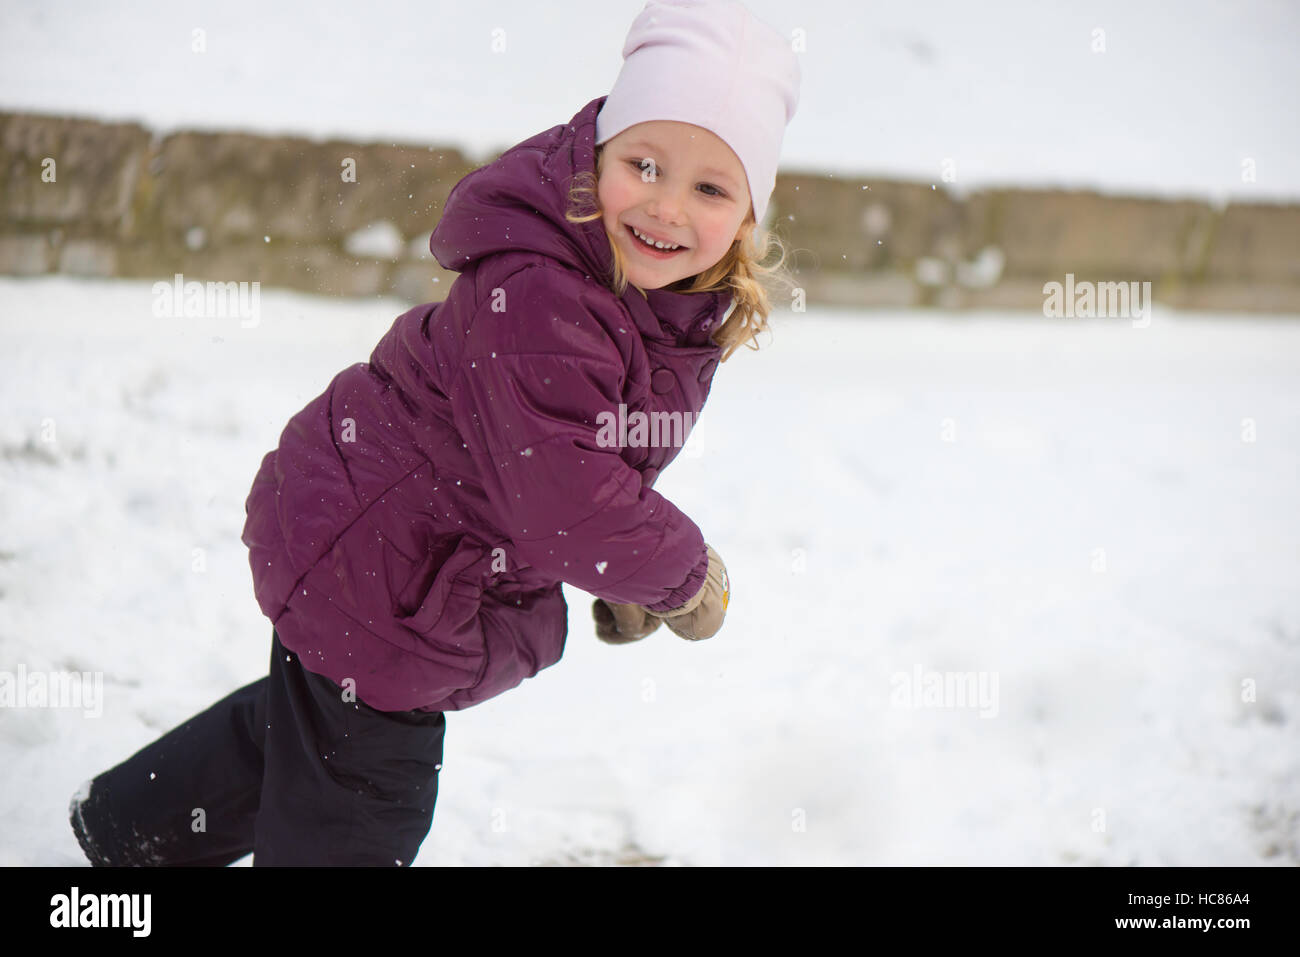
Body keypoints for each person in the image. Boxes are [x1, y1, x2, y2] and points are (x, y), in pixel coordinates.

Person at [69, 0, 801, 867]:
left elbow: (579, 453)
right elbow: (562, 493)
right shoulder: (545, 293)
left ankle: (132, 830)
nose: (668, 206)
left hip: (376, 547)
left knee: (312, 722)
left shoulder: (650, 293)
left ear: (748, 216)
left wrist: (618, 552)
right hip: (387, 570)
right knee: (360, 806)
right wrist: (677, 573)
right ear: (598, 150)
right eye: (646, 164)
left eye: (711, 187)